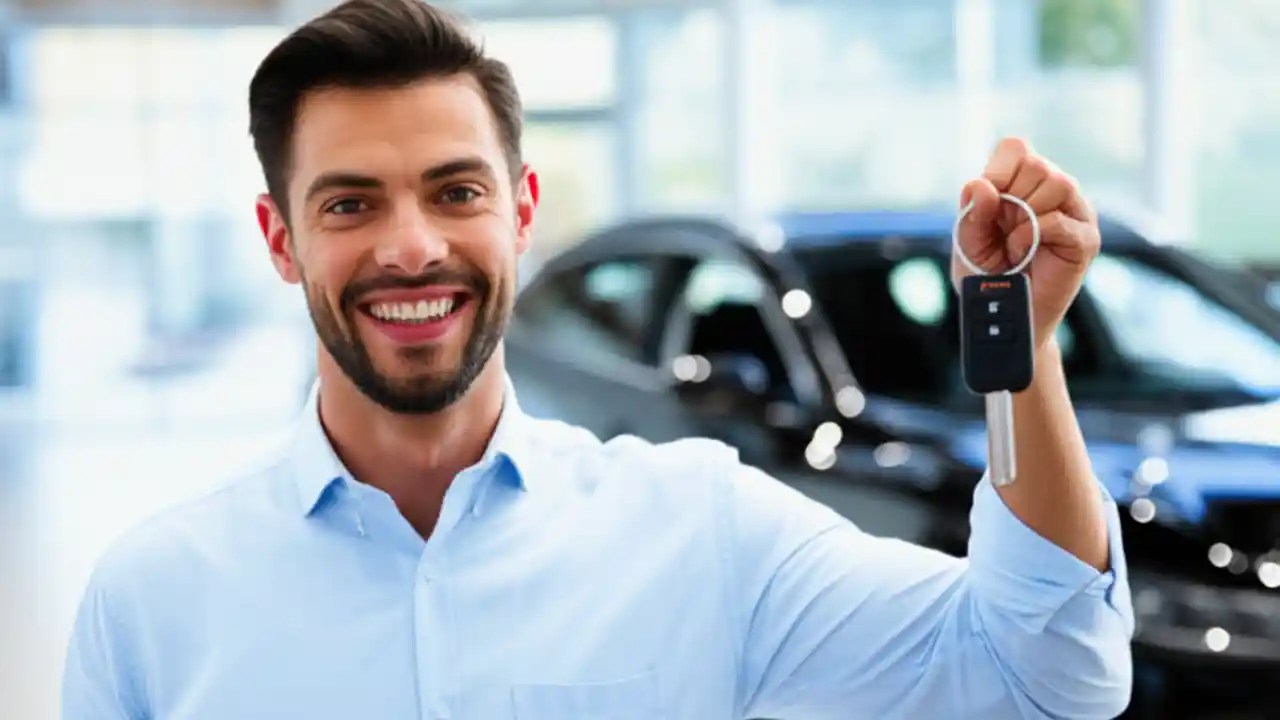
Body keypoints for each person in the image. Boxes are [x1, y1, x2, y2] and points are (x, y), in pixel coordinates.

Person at [61, 1, 1133, 718]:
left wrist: (1019, 352)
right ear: (279, 239)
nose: (412, 246)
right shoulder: (154, 601)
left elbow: (1042, 674)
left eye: (455, 191)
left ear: (521, 212)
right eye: (349, 203)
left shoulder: (701, 535)